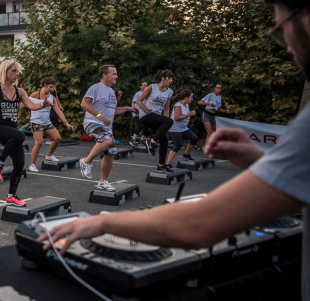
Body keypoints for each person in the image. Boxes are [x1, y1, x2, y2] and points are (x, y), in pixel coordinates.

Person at [40, 2, 310, 300]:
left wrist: (100, 222)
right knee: (113, 143)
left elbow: (199, 225)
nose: (286, 47)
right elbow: (298, 180)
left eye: (281, 31)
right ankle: (93, 158)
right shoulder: (102, 87)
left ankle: (107, 171)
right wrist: (260, 160)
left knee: (118, 149)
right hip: (96, 123)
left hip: (114, 123)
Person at [0, 60, 52, 207]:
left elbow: (31, 105)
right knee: (20, 136)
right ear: (5, 72)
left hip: (11, 131)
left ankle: (11, 196)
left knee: (19, 164)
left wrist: (42, 105)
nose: (16, 74)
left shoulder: (20, 92)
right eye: (13, 71)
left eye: (17, 71)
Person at [78, 65, 138, 192]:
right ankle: (86, 161)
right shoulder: (95, 88)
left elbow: (112, 110)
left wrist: (127, 108)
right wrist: (99, 116)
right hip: (92, 123)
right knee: (107, 141)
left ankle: (103, 182)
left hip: (105, 127)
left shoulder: (111, 91)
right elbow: (84, 104)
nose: (116, 76)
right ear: (105, 75)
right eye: (114, 74)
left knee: (110, 154)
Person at [27, 77, 75, 172]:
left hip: (47, 123)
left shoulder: (52, 97)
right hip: (36, 122)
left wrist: (66, 123)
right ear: (45, 85)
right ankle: (32, 164)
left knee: (57, 139)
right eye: (51, 87)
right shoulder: (35, 95)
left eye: (53, 87)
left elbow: (58, 111)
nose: (52, 89)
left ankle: (49, 155)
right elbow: (25, 103)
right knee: (39, 142)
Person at [136, 70, 176, 172]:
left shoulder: (169, 92)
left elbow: (166, 109)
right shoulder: (152, 87)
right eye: (169, 78)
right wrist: (145, 109)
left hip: (157, 118)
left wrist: (166, 123)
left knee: (164, 141)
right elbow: (139, 100)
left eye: (171, 78)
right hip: (146, 115)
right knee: (170, 121)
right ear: (163, 78)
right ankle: (152, 141)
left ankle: (161, 165)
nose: (171, 80)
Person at [165, 89, 198, 168]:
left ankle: (186, 154)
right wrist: (189, 114)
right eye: (191, 97)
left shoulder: (186, 104)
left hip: (183, 128)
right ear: (186, 97)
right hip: (175, 128)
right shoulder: (178, 105)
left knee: (194, 138)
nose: (192, 99)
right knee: (178, 145)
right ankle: (168, 163)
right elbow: (176, 118)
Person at [198, 83, 229, 148]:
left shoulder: (219, 97)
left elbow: (217, 109)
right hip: (206, 114)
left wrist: (224, 110)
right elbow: (199, 102)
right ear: (215, 88)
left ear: (221, 89)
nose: (218, 89)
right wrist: (209, 104)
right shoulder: (210, 95)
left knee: (213, 133)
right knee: (209, 132)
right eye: (217, 88)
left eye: (220, 88)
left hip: (212, 115)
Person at [129, 81, 150, 146]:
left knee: (147, 126)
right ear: (140, 86)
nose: (145, 87)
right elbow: (133, 102)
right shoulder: (138, 93)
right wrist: (135, 110)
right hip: (137, 113)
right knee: (140, 125)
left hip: (144, 113)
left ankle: (142, 140)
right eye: (144, 85)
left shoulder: (148, 94)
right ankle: (133, 140)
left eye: (146, 85)